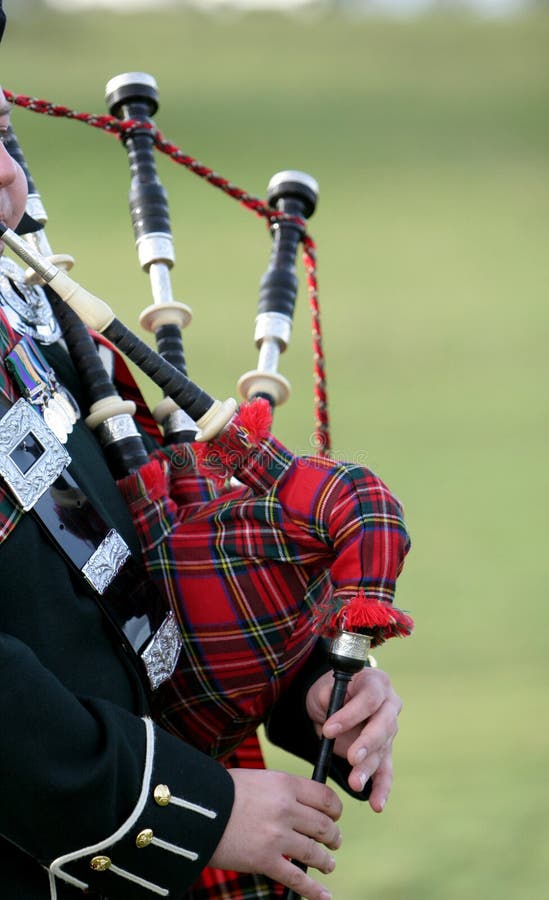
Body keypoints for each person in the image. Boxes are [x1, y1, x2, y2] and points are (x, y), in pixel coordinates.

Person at [0, 6, 409, 899]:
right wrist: (182, 807)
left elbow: (123, 569)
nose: (4, 175)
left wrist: (293, 674)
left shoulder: (23, 315)